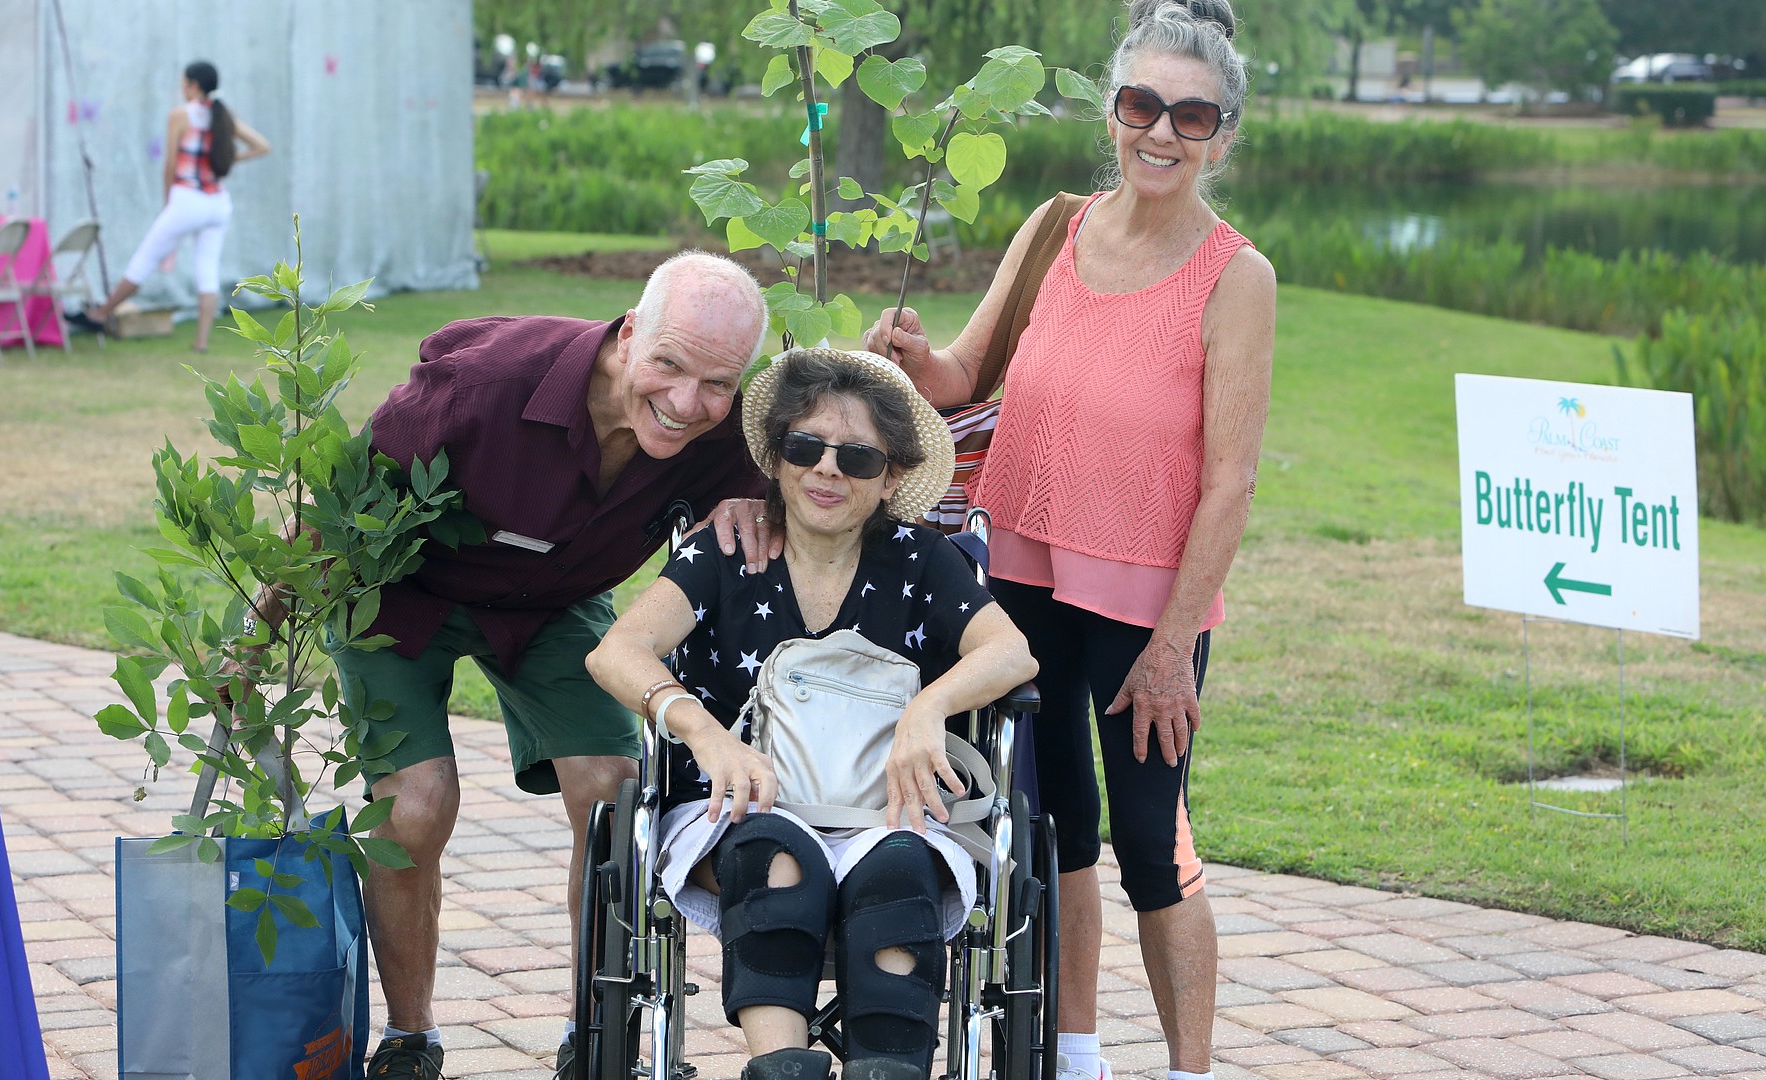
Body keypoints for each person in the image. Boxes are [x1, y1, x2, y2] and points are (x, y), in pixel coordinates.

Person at [239, 251, 777, 1080]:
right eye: (667, 365)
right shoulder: (486, 386)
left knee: (612, 789)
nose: (684, 404)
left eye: (717, 384)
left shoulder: (725, 428)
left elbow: (823, 465)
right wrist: (257, 632)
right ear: (630, 333)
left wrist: (756, 492)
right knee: (415, 806)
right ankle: (410, 1038)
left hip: (554, 603)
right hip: (402, 587)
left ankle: (592, 1035)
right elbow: (338, 504)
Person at [863, 2, 1275, 1078]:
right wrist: (909, 357)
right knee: (1054, 838)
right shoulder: (1054, 226)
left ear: (1223, 134)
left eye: (1192, 115)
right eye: (1143, 105)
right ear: (1112, 111)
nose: (1162, 132)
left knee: (1153, 847)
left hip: (1147, 610)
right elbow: (963, 375)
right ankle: (1078, 1056)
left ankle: (1189, 1070)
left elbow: (1230, 482)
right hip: (1023, 583)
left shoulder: (1236, 278)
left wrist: (1172, 643)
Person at [587, 347, 1038, 1080]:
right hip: (739, 809)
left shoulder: (920, 560)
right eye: (806, 447)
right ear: (775, 456)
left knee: (899, 867)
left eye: (858, 458)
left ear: (891, 475)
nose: (827, 470)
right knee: (774, 853)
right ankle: (781, 1067)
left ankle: (888, 1069)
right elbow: (616, 652)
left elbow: (1011, 653)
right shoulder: (726, 552)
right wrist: (700, 731)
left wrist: (930, 707)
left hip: (884, 814)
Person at [70, 60, 269, 353]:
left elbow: (170, 166)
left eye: (184, 83)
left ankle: (99, 314)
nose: (182, 88)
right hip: (217, 203)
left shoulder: (180, 116)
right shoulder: (223, 116)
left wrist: (168, 202)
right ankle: (201, 342)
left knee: (145, 260)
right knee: (208, 271)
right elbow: (262, 146)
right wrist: (224, 160)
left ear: (193, 85)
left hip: (187, 199)